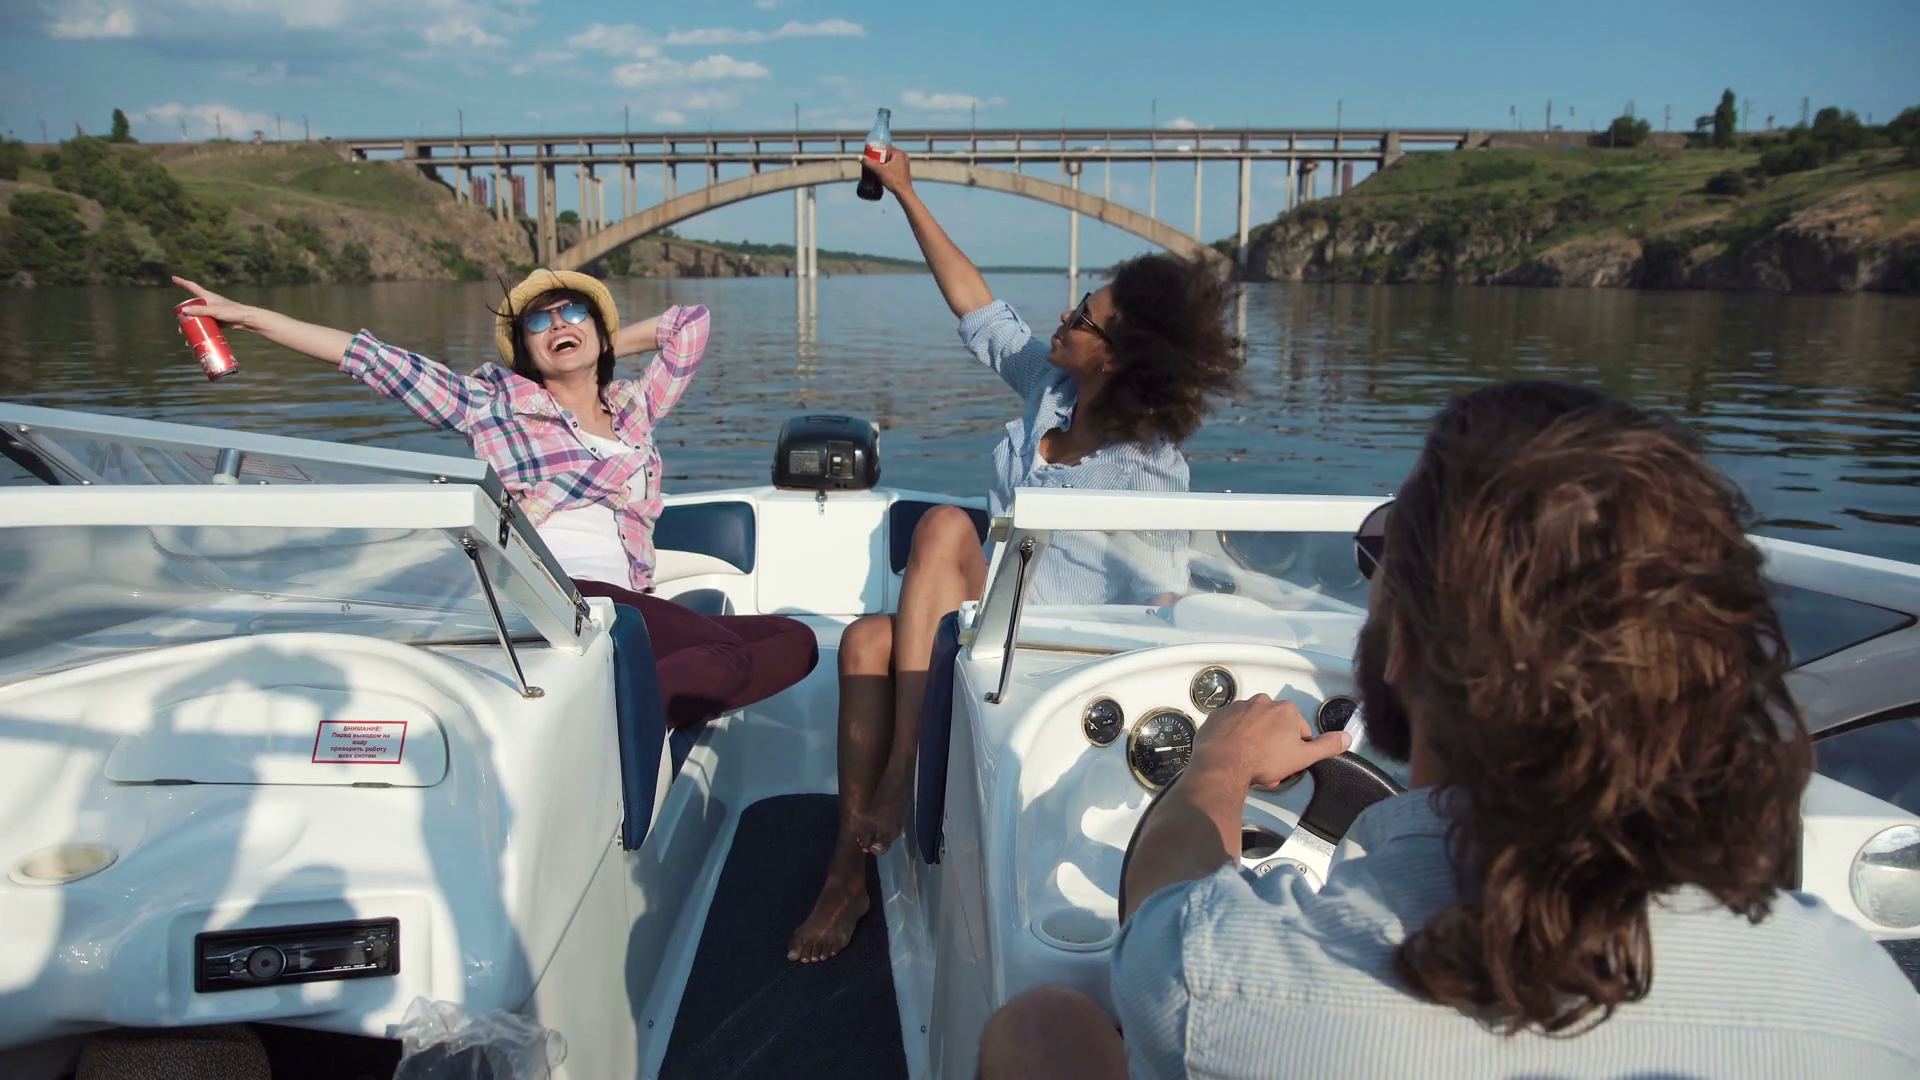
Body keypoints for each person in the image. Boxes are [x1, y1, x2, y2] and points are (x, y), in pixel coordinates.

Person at [978, 381, 1920, 1078]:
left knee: (1041, 1032)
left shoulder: (1227, 977)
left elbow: (1157, 912)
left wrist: (1218, 764)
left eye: (1380, 554)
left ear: (1407, 651)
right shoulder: (1868, 1003)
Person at [788, 148, 1245, 962]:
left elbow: (1160, 603)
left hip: (1042, 655)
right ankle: (843, 872)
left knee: (896, 599)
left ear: (1120, 358)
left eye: (1083, 318)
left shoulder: (1151, 475)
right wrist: (905, 194)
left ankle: (893, 786)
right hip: (980, 621)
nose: (1063, 321)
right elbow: (975, 305)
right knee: (888, 605)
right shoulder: (1051, 388)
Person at [172, 269, 817, 730]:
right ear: (522, 349)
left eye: (573, 314)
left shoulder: (633, 409)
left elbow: (689, 326)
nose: (558, 323)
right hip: (549, 597)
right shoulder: (494, 405)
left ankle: (609, 705)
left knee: (796, 641)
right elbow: (371, 360)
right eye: (541, 320)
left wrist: (597, 340)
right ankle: (600, 718)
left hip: (623, 610)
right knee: (747, 652)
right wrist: (250, 317)